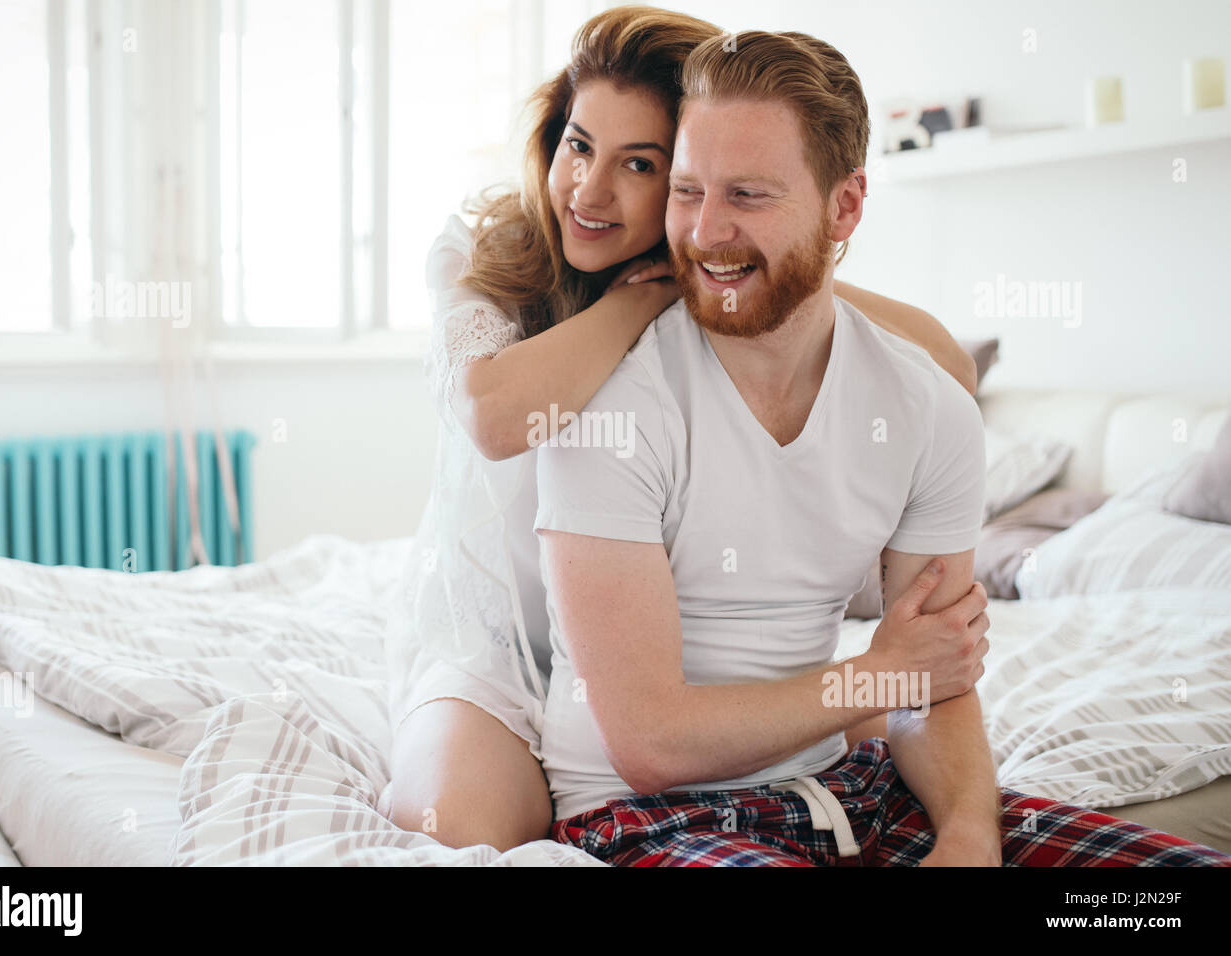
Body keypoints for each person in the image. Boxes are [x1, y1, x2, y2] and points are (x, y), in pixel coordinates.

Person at [534, 29, 1231, 866]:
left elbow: (935, 679)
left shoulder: (927, 408)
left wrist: (968, 834)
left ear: (845, 206)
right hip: (652, 817)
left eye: (748, 195)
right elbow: (650, 743)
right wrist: (876, 675)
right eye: (688, 191)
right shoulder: (612, 408)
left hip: (850, 791)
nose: (707, 230)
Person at [380, 6, 981, 854]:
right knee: (469, 833)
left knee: (867, 739)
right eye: (579, 144)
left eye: (640, 164)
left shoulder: (714, 277)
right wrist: (648, 294)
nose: (590, 190)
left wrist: (769, 272)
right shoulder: (493, 251)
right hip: (503, 646)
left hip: (655, 651)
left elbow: (948, 370)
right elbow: (492, 415)